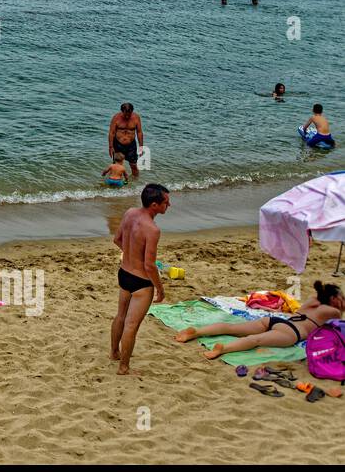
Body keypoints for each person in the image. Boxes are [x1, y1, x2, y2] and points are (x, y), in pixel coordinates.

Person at [175, 281, 344, 359]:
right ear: (334, 299)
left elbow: (318, 296)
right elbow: (338, 325)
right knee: (255, 340)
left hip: (276, 320)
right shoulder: (332, 311)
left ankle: (197, 332)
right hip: (292, 332)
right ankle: (223, 349)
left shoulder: (312, 302)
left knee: (232, 328)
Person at [110, 183, 169, 375]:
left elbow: (117, 240)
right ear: (154, 205)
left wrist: (131, 254)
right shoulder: (152, 229)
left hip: (124, 273)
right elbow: (149, 266)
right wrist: (159, 288)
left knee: (120, 316)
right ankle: (124, 367)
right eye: (166, 202)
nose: (169, 205)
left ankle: (114, 353)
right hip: (141, 282)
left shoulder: (129, 213)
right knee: (132, 325)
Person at [108, 102, 145, 178]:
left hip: (131, 145)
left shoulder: (136, 117)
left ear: (132, 111)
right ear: (122, 111)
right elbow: (111, 133)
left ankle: (135, 184)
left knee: (133, 165)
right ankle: (115, 183)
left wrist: (141, 146)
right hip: (118, 144)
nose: (127, 116)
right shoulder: (116, 118)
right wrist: (111, 146)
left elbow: (139, 132)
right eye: (125, 114)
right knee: (116, 166)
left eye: (129, 114)